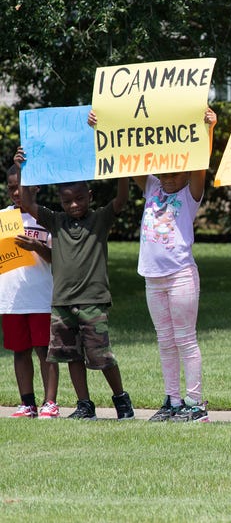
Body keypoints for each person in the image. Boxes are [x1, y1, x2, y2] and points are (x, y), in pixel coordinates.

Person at [88, 108, 216, 422]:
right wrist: (102, 127)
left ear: (187, 173)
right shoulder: (152, 188)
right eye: (164, 172)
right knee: (165, 341)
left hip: (181, 274)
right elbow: (123, 151)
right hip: (152, 277)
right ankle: (173, 400)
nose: (169, 177)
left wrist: (210, 128)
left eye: (176, 172)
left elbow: (200, 158)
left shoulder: (191, 194)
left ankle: (195, 403)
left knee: (186, 339)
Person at [14, 148, 134, 420]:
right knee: (71, 356)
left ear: (90, 197)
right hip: (63, 302)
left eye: (80, 199)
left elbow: (122, 199)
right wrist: (22, 169)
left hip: (92, 301)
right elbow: (27, 202)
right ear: (61, 202)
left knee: (101, 355)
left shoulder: (99, 219)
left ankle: (121, 399)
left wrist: (123, 172)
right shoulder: (56, 221)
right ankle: (84, 405)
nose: (74, 205)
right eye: (68, 201)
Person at [0, 164, 60, 418]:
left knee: (44, 351)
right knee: (19, 351)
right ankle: (28, 403)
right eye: (12, 188)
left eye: (21, 187)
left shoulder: (46, 217)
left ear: (36, 187)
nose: (16, 193)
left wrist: (37, 247)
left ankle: (50, 402)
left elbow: (58, 259)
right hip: (11, 299)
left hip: (41, 297)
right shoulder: (4, 217)